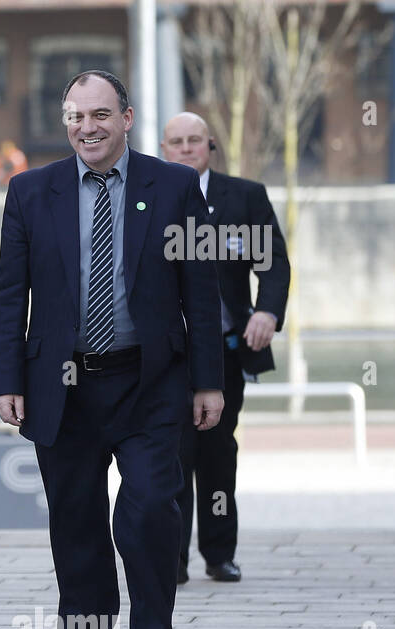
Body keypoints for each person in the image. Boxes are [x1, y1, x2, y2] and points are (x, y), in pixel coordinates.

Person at [0, 71, 224, 629]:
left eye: (99, 115)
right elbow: (11, 293)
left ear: (126, 117)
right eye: (74, 116)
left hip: (149, 385)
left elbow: (200, 292)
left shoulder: (172, 186)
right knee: (76, 526)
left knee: (148, 513)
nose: (86, 128)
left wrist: (209, 381)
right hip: (61, 388)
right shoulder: (29, 192)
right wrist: (6, 378)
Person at [161, 112, 290, 585]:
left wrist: (267, 312)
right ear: (164, 148)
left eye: (195, 140)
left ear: (210, 146)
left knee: (217, 449)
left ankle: (219, 553)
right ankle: (171, 559)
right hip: (168, 352)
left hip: (225, 348)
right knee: (172, 452)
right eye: (176, 142)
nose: (186, 149)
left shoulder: (244, 196)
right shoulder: (149, 197)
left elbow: (273, 262)